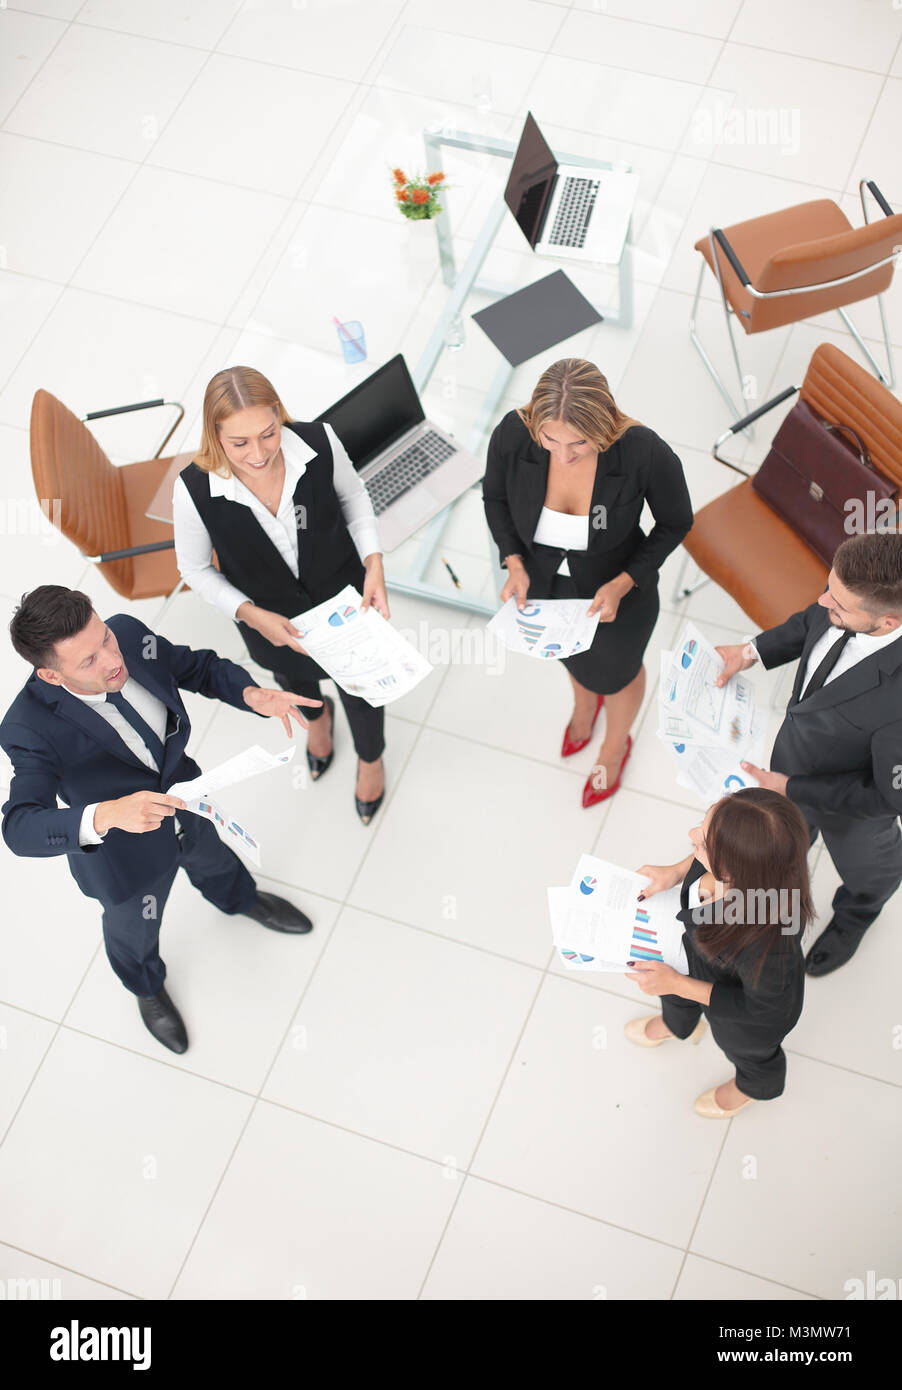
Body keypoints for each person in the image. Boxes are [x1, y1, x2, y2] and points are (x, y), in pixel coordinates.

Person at [0, 586, 323, 1055]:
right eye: (88, 661)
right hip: (122, 859)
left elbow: (196, 668)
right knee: (135, 930)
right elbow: (20, 827)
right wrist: (108, 815)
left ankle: (241, 900)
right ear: (50, 674)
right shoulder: (27, 727)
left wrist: (250, 694)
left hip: (188, 804)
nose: (112, 660)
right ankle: (146, 986)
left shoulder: (129, 636)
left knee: (214, 859)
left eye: (105, 639)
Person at [173, 366, 388, 825]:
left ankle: (371, 759)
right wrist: (249, 614)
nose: (259, 454)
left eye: (268, 434)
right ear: (215, 436)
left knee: (364, 690)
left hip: (345, 602)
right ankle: (318, 722)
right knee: (298, 687)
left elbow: (354, 498)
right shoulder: (193, 489)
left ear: (279, 414)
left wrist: (374, 561)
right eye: (239, 443)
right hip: (271, 625)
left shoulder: (319, 441)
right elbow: (193, 568)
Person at [483, 358, 693, 806]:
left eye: (579, 442)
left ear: (604, 427)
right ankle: (583, 706)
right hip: (542, 584)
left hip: (618, 593)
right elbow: (495, 495)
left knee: (616, 674)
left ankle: (614, 746)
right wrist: (513, 561)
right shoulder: (513, 432)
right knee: (570, 658)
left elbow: (675, 522)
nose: (563, 455)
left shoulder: (643, 452)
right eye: (549, 439)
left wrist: (625, 581)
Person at [714, 531, 902, 976]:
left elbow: (889, 796)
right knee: (780, 851)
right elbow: (808, 623)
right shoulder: (840, 603)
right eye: (827, 588)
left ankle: (856, 917)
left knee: (867, 875)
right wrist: (750, 652)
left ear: (888, 623)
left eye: (838, 604)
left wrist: (793, 786)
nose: (823, 602)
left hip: (853, 812)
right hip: (794, 765)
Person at [625, 788, 812, 1117]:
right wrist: (679, 870)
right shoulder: (751, 860)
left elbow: (764, 1011)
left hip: (744, 1008)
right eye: (703, 825)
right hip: (693, 955)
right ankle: (679, 1022)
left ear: (736, 869)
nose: (692, 836)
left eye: (703, 843)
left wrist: (679, 985)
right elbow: (706, 850)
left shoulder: (772, 941)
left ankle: (752, 1084)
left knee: (742, 1047)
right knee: (671, 982)